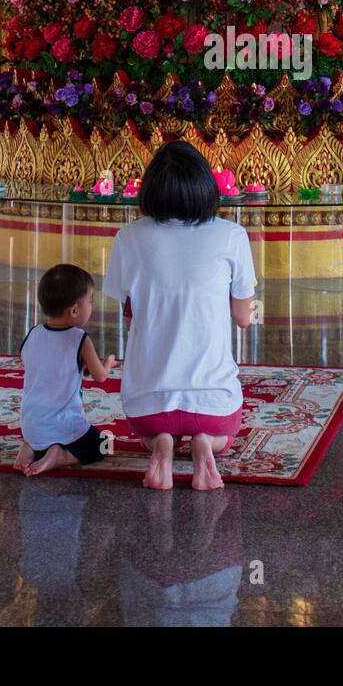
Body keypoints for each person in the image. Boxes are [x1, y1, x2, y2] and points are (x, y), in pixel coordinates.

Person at [103, 141, 257, 492]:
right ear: (205, 187)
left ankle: (160, 444)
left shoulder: (128, 238)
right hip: (213, 402)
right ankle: (206, 443)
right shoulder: (232, 236)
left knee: (149, 433)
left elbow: (130, 315)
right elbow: (244, 318)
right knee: (225, 436)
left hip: (147, 405)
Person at [14, 263, 116, 476]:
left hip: (30, 424)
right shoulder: (80, 339)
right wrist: (109, 362)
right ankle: (60, 456)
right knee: (105, 444)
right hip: (62, 425)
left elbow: (49, 365)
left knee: (42, 435)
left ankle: (30, 447)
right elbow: (101, 377)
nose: (91, 306)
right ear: (74, 310)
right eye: (90, 301)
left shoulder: (34, 333)